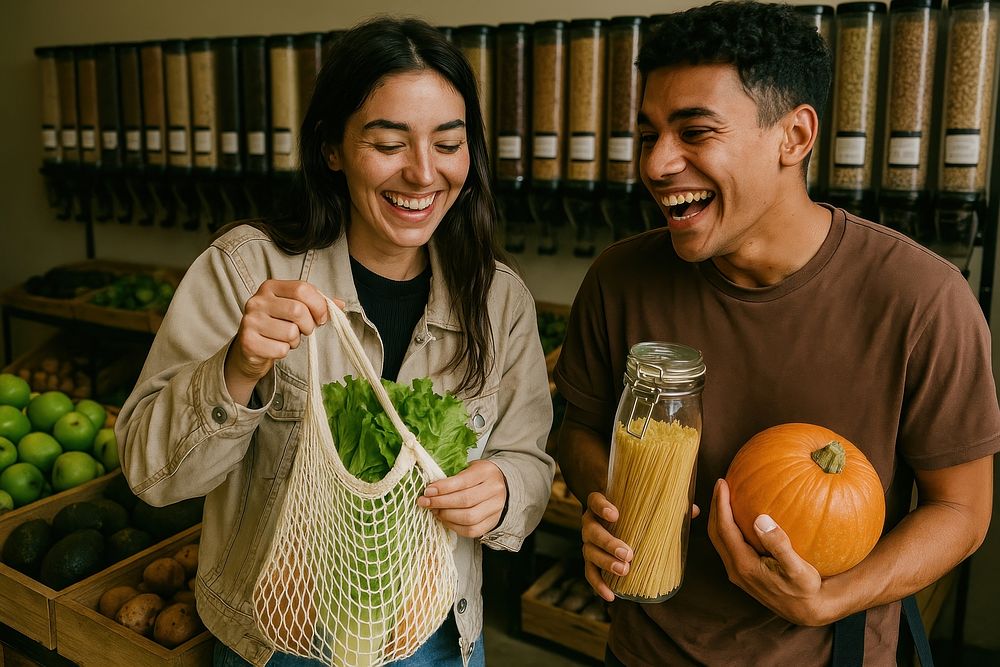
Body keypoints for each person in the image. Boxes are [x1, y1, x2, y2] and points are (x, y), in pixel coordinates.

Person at [553, 1, 999, 665]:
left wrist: (835, 595)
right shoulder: (620, 278)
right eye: (649, 135)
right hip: (642, 651)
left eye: (695, 133)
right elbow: (576, 428)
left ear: (793, 137)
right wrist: (609, 502)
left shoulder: (922, 298)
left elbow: (961, 510)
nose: (656, 164)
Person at [116, 16, 554, 667]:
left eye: (448, 143)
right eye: (388, 143)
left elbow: (531, 460)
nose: (422, 172)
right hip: (275, 643)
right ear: (333, 148)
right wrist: (237, 367)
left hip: (437, 641)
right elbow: (151, 471)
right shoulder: (247, 269)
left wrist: (505, 488)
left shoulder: (499, 298)